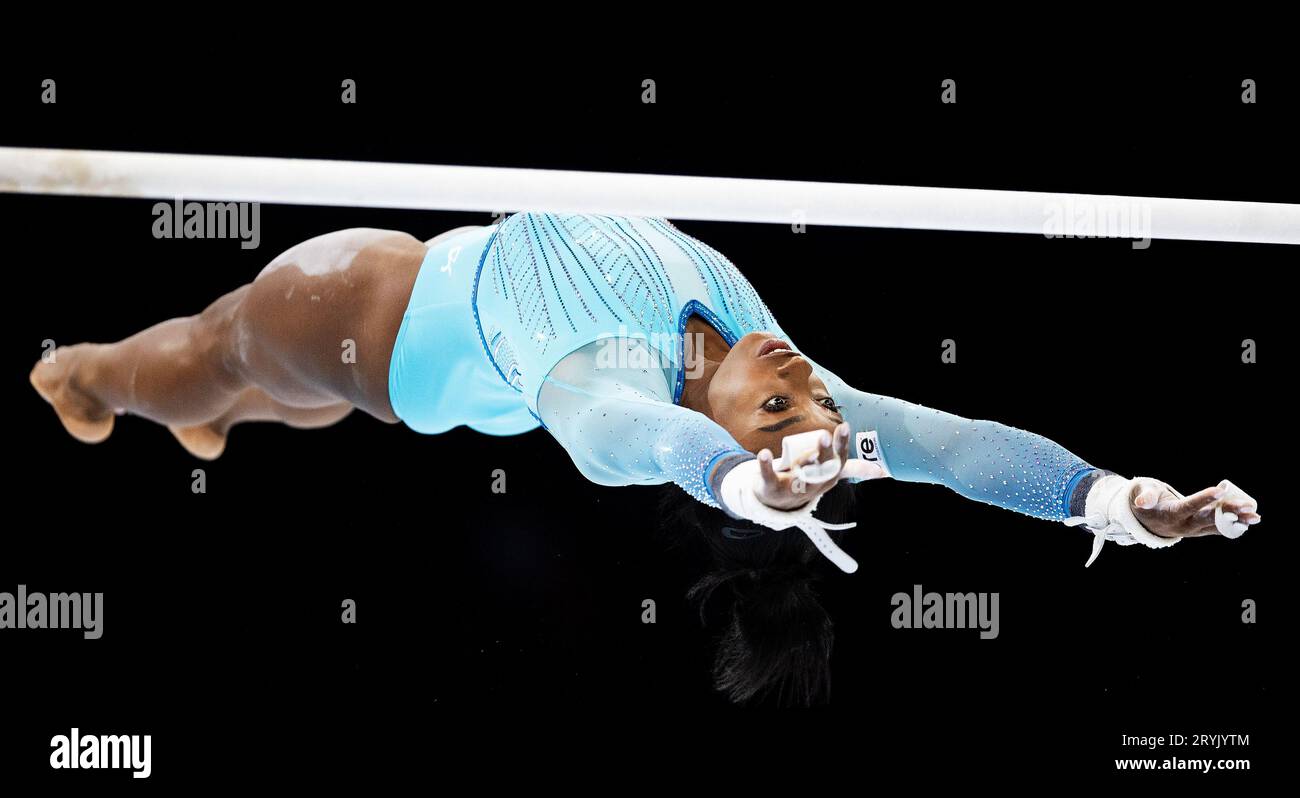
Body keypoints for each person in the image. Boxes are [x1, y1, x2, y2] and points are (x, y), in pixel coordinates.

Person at [30, 212, 1260, 699]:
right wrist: (1114, 498)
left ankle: (82, 374)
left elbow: (643, 443)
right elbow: (951, 448)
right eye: (814, 408)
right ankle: (220, 424)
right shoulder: (786, 376)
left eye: (779, 418)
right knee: (270, 413)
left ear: (730, 441)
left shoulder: (615, 393)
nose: (799, 387)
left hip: (374, 320)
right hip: (464, 375)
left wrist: (739, 482)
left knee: (209, 355)